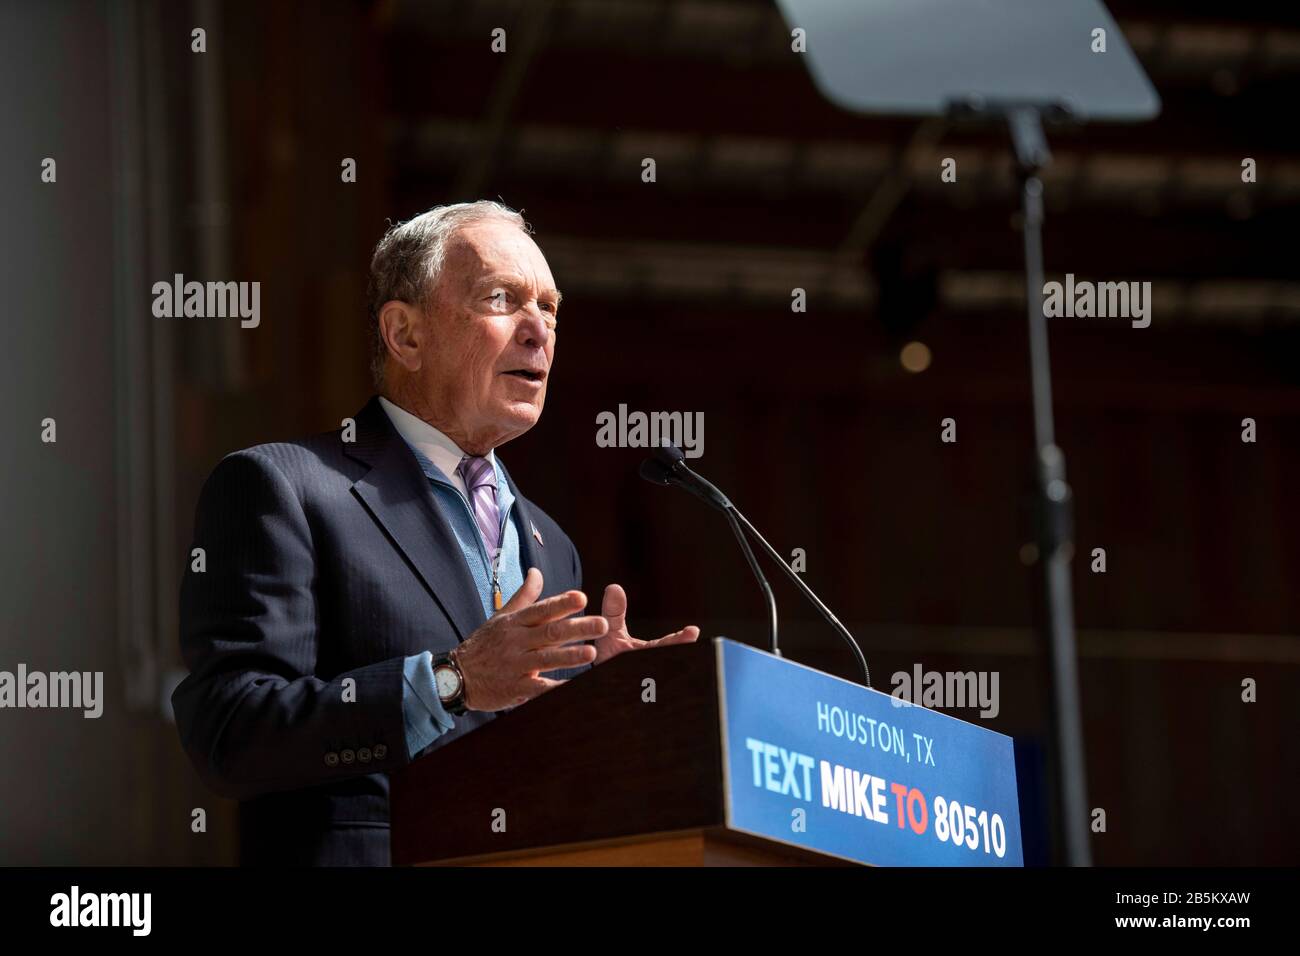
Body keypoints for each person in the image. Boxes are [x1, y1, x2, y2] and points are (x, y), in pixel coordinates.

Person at [172, 200, 699, 865]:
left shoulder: (549, 544)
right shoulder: (285, 488)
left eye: (550, 308)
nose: (538, 329)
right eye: (501, 299)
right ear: (406, 335)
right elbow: (231, 733)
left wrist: (601, 714)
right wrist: (450, 682)